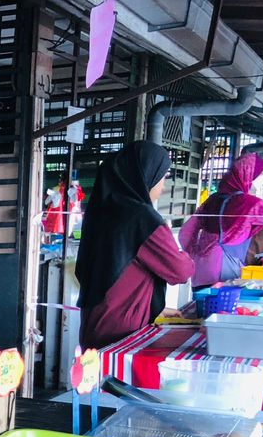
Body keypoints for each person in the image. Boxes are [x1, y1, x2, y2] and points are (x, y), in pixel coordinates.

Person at [75, 142, 194, 350]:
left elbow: (123, 274)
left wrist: (152, 309)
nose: (163, 186)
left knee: (96, 379)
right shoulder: (142, 219)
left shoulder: (101, 211)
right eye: (163, 177)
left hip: (94, 324)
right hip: (122, 331)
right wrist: (186, 255)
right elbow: (180, 272)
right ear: (146, 175)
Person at [180, 153, 263, 287]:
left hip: (200, 265)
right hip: (224, 266)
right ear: (246, 177)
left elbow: (185, 232)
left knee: (202, 302)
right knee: (222, 305)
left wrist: (194, 252)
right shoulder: (247, 204)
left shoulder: (212, 200)